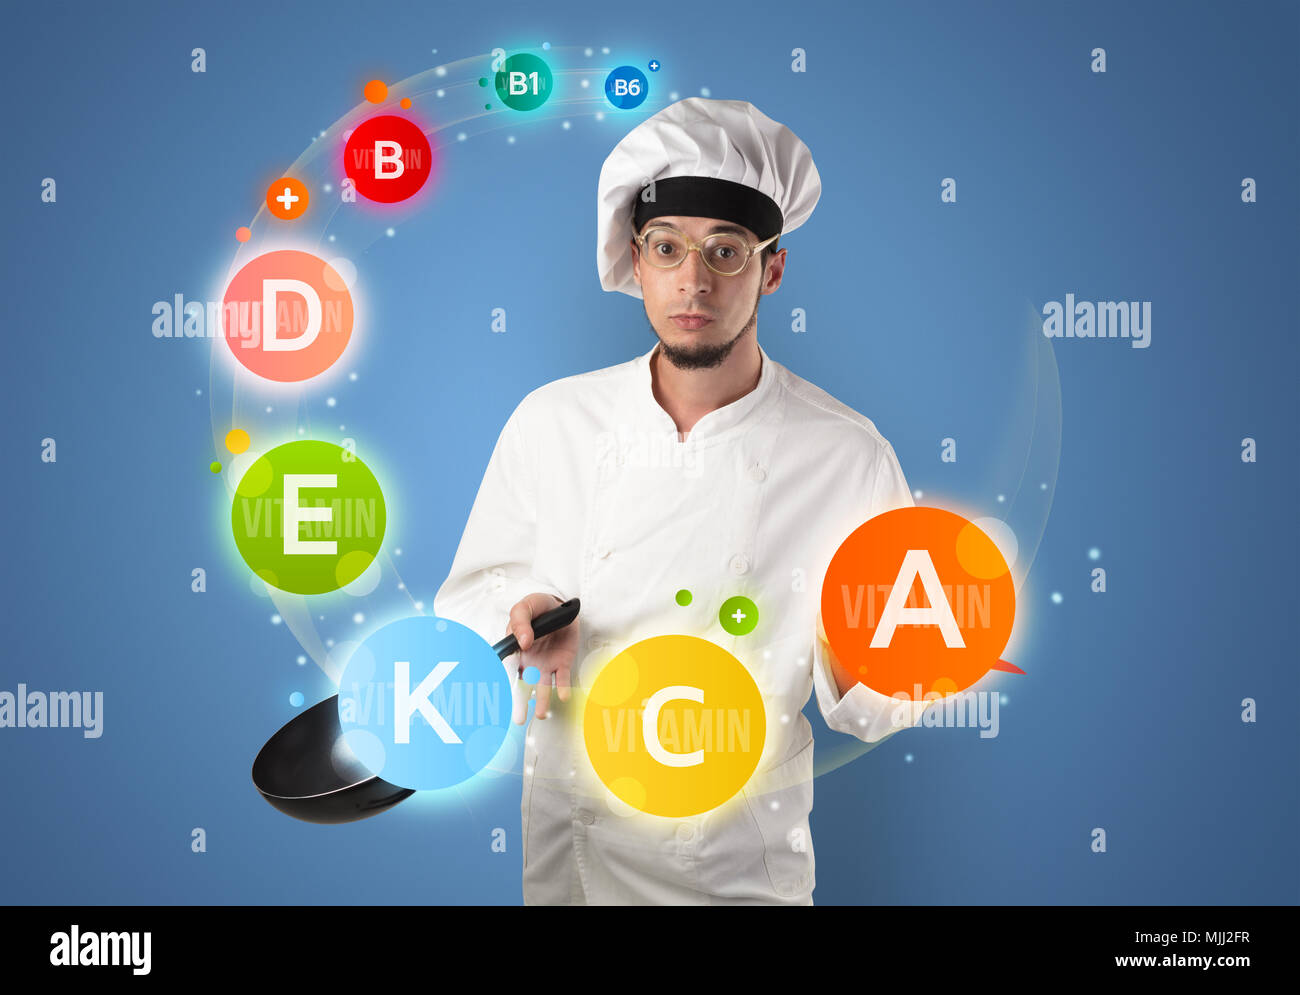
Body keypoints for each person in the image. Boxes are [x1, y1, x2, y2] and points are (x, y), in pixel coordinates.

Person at [434, 97, 927, 905]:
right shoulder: (551, 420)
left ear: (772, 268)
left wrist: (895, 639)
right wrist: (520, 616)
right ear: (638, 262)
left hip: (732, 881)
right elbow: (464, 611)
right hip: (563, 868)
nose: (693, 280)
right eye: (668, 248)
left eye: (725, 251)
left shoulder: (846, 454)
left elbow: (877, 706)